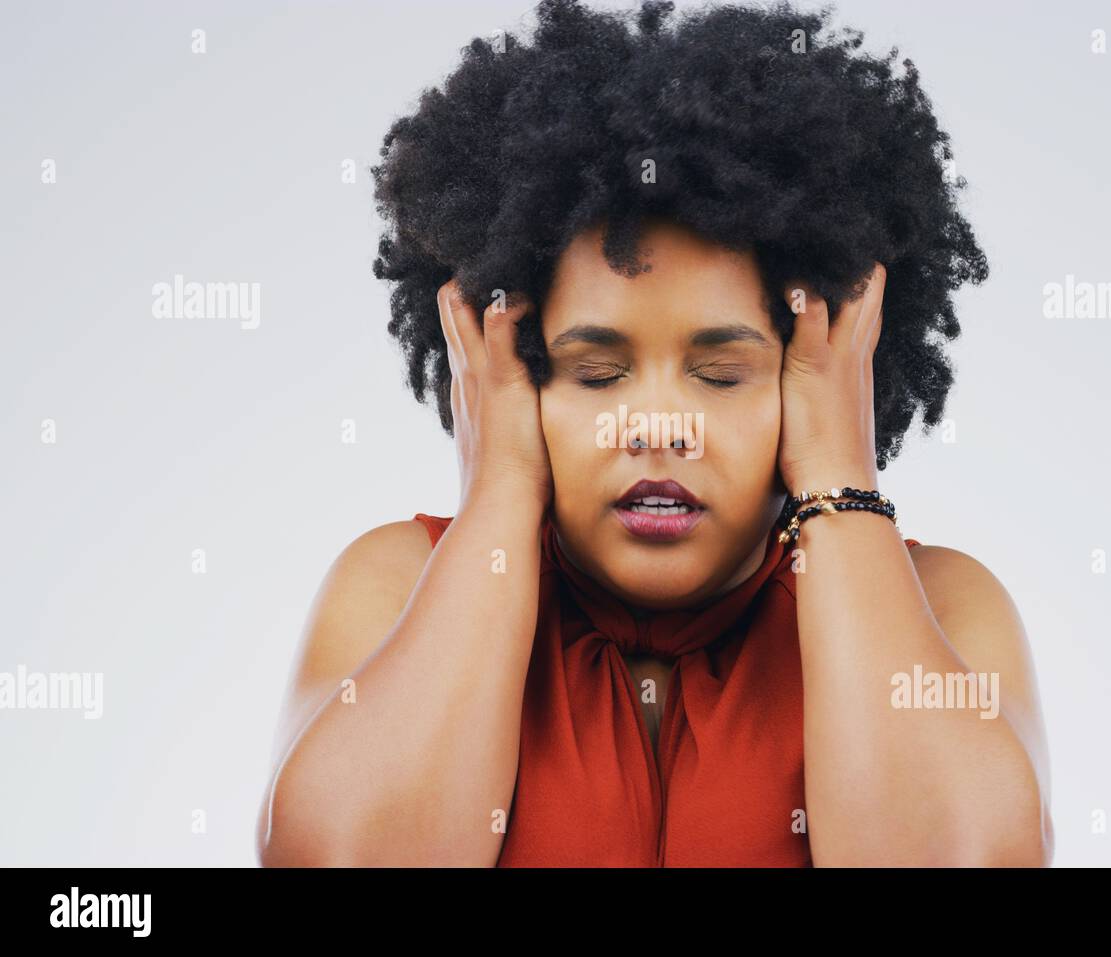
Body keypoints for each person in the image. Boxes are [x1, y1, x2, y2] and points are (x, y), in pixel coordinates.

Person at [256, 0, 1053, 867]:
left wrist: (838, 473)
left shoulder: (940, 603)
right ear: (512, 375)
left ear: (820, 373)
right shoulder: (398, 583)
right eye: (596, 374)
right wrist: (500, 495)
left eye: (721, 375)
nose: (660, 427)